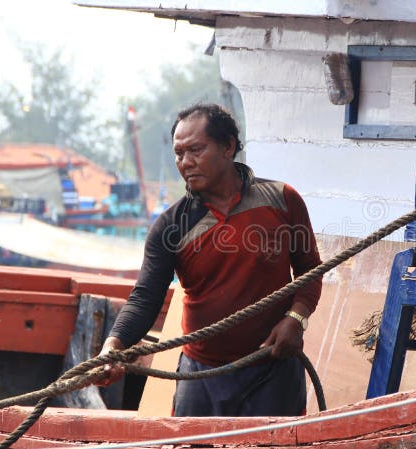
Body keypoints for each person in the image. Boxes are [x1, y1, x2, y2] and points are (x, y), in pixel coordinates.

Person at [96, 103, 322, 417]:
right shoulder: (171, 226)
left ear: (228, 146)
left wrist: (296, 320)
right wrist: (113, 347)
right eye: (178, 154)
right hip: (200, 375)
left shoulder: (282, 200)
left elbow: (311, 269)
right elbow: (145, 298)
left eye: (196, 150)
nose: (185, 163)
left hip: (274, 369)